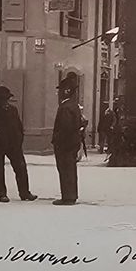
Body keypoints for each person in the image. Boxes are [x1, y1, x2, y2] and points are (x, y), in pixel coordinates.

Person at [0, 86, 36, 203]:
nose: (5, 102)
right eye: (3, 99)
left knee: (21, 168)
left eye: (6, 99)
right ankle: (1, 194)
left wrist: (20, 139)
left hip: (14, 144)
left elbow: (19, 126)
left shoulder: (13, 110)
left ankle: (25, 192)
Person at [52, 75, 82, 205]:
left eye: (61, 90)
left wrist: (58, 141)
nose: (59, 93)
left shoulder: (65, 108)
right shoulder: (74, 105)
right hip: (72, 143)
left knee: (65, 169)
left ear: (66, 91)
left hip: (64, 145)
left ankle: (67, 197)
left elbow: (65, 128)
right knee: (70, 169)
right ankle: (71, 195)